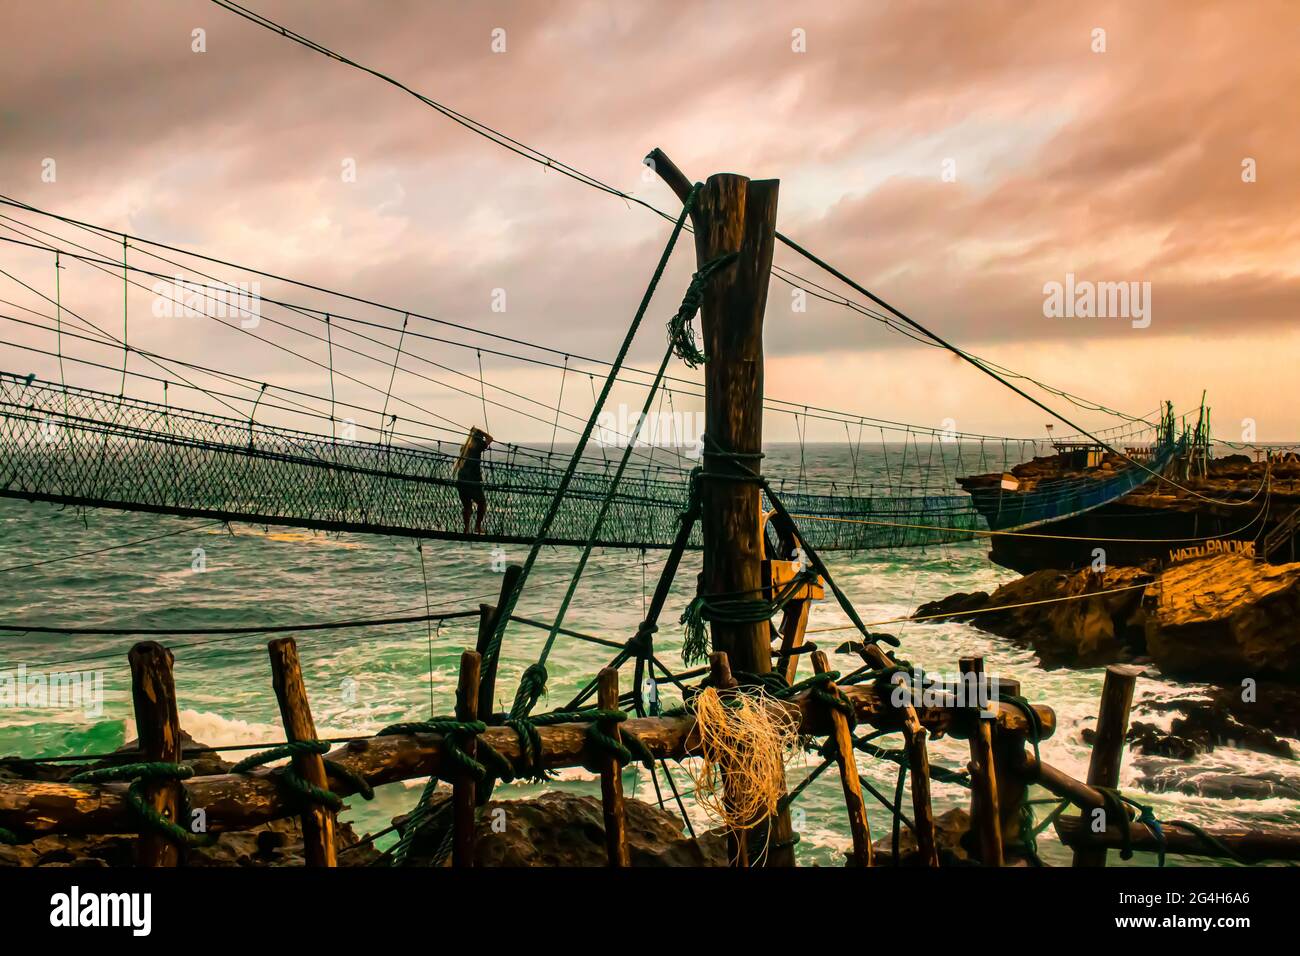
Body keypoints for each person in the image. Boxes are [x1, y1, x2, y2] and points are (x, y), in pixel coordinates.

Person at [453, 426, 493, 534]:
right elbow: (490, 438)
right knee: (482, 503)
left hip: (461, 481)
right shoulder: (477, 445)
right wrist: (482, 432)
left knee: (467, 507)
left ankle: (466, 529)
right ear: (479, 438)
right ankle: (477, 527)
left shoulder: (464, 447)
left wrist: (474, 432)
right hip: (472, 481)